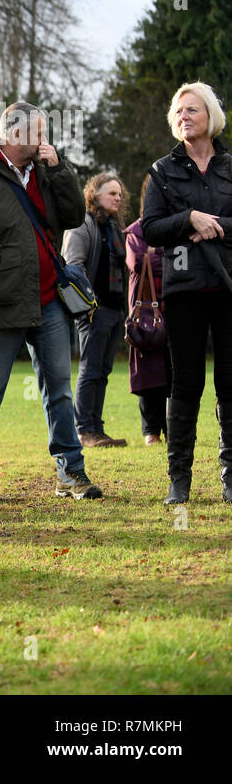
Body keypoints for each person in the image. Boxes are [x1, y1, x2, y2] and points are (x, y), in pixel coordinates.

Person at [0, 101, 101, 501]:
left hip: (50, 300)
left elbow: (73, 216)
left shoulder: (45, 170)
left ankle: (70, 471)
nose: (44, 140)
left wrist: (59, 170)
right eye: (38, 132)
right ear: (14, 133)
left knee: (59, 390)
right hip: (1, 303)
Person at [141, 81, 232, 505]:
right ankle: (179, 479)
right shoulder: (161, 172)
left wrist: (214, 226)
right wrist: (189, 219)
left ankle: (230, 476)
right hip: (184, 291)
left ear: (211, 116)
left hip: (228, 287)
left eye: (192, 110)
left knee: (229, 383)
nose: (184, 116)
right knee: (186, 384)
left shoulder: (230, 166)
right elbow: (151, 229)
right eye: (178, 111)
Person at [63, 173, 130, 448]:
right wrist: (89, 305)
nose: (118, 198)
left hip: (115, 309)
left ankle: (97, 429)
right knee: (90, 370)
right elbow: (73, 266)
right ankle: (85, 431)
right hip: (93, 310)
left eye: (120, 194)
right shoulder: (83, 223)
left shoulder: (114, 227)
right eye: (112, 193)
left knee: (103, 371)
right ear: (95, 194)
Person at [125, 176, 169, 446]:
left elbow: (181, 260)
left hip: (172, 305)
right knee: (147, 370)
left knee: (172, 369)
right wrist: (163, 255)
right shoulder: (135, 232)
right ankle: (151, 430)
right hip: (145, 312)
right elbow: (138, 262)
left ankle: (172, 427)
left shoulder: (173, 228)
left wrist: (156, 254)